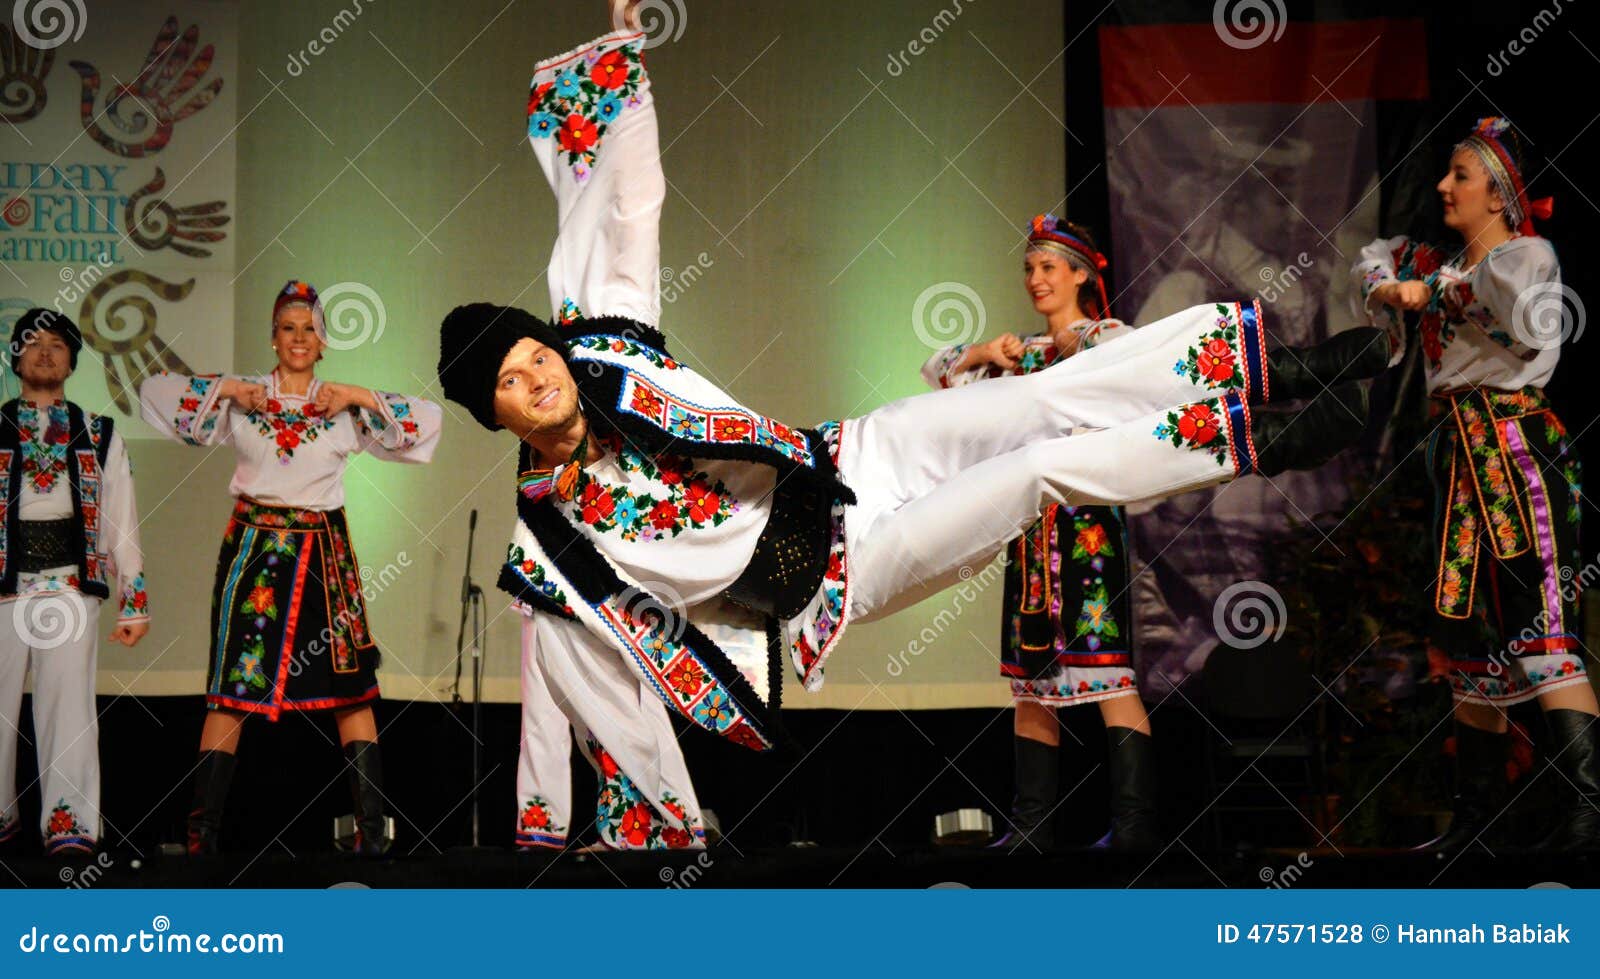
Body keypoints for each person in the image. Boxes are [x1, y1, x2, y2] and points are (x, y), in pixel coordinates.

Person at [437, 13, 1389, 850]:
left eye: (535, 354)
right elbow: (587, 684)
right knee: (1038, 471)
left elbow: (619, 211)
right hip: (840, 570)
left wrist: (619, 60)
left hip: (849, 454)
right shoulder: (552, 539)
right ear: (497, 416)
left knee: (1039, 401)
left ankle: (1274, 370)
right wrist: (627, 824)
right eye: (511, 383)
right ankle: (1255, 442)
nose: (539, 378)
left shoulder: (603, 348)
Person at [1352, 116, 1593, 852]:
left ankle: (1588, 807)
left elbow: (1517, 320)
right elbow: (1374, 259)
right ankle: (1478, 817)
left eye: (1460, 175)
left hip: (1516, 449)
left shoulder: (1526, 257)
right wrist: (1395, 287)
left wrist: (1429, 292)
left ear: (1499, 195)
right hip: (1457, 451)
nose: (1442, 186)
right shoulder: (1438, 262)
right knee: (1469, 631)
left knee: (1539, 616)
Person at [139, 281, 442, 855]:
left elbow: (427, 421)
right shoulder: (244, 398)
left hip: (324, 556)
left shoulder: (341, 405)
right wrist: (229, 387)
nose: (299, 338)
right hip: (254, 554)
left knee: (352, 691)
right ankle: (201, 840)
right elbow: (154, 392)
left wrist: (358, 394)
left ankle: (371, 839)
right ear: (273, 337)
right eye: (288, 328)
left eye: (310, 329)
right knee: (231, 692)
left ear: (323, 342)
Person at [921, 216, 1156, 851]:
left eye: (1048, 268)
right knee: (1031, 684)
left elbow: (1141, 362)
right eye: (1029, 269)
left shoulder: (1107, 338)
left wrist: (1083, 343)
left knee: (1108, 673)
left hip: (1088, 531)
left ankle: (1134, 829)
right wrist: (982, 353)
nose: (1035, 279)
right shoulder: (1020, 353)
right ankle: (1031, 828)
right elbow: (938, 372)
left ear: (1080, 275)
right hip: (1030, 536)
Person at [0, 309, 148, 856]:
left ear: (71, 361)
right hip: (3, 584)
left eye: (57, 345)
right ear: (15, 357)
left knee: (69, 707)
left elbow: (120, 518)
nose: (44, 353)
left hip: (69, 583)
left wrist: (133, 602)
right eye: (33, 343)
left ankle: (69, 824)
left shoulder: (100, 433)